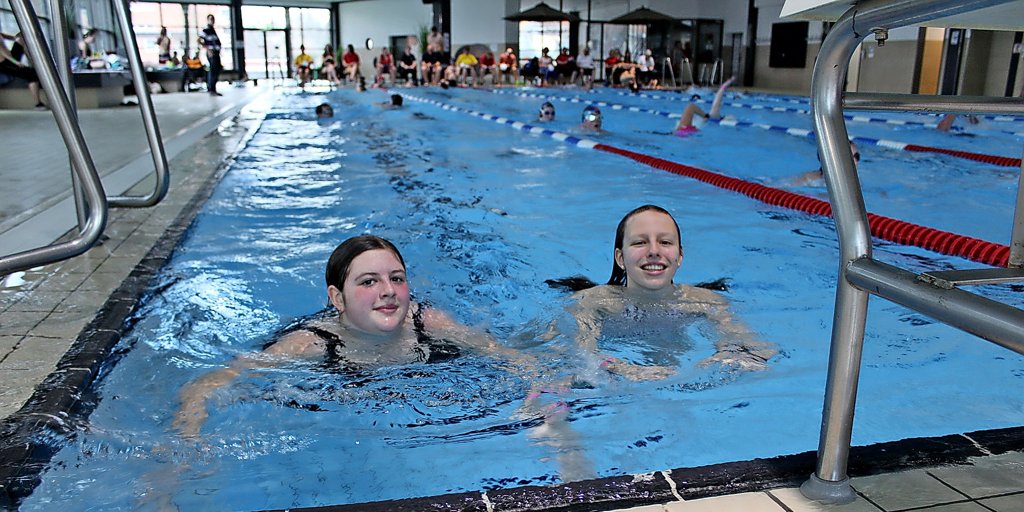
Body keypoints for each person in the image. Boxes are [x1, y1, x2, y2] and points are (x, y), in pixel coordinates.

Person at [173, 235, 531, 437]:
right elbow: (210, 384)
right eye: (368, 282)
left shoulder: (429, 323)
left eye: (397, 278)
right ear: (337, 298)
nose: (389, 291)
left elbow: (506, 354)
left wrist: (542, 393)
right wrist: (188, 437)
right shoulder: (311, 342)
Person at [564, 205, 775, 380]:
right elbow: (576, 355)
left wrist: (726, 357)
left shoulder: (703, 303)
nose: (654, 251)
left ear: (680, 256)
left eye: (665, 242)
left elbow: (758, 348)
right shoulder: (592, 303)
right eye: (640, 242)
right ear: (620, 258)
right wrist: (627, 370)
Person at [0, 32, 44, 108]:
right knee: (31, 74)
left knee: (21, 38)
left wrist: (16, 38)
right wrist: (15, 62)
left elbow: (8, 37)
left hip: (11, 57)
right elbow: (1, 51)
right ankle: (38, 104)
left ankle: (33, 61)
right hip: (5, 63)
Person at [792, 140, 860, 186]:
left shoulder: (855, 183)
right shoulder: (809, 180)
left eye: (857, 156)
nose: (855, 161)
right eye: (847, 157)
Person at [198, 15, 222, 96]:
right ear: (207, 20)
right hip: (212, 53)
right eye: (210, 19)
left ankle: (213, 88)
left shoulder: (212, 31)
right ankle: (211, 89)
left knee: (216, 70)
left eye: (213, 19)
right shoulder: (206, 30)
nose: (212, 21)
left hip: (216, 53)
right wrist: (208, 49)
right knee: (213, 70)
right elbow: (199, 40)